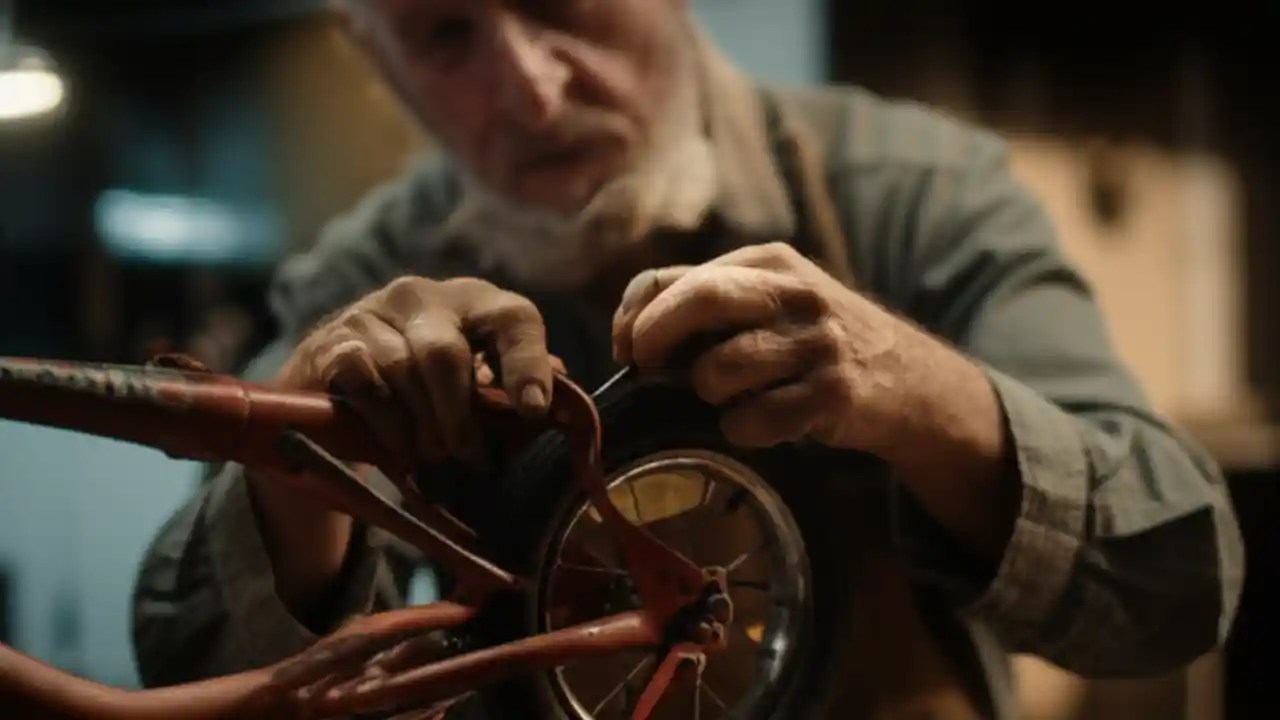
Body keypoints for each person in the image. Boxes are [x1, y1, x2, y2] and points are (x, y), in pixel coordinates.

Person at [130, 0, 1246, 717]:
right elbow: (195, 675)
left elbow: (1176, 582)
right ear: (372, 56)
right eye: (444, 37)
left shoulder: (916, 194)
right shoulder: (362, 280)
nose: (532, 90)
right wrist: (303, 472)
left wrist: (917, 392)